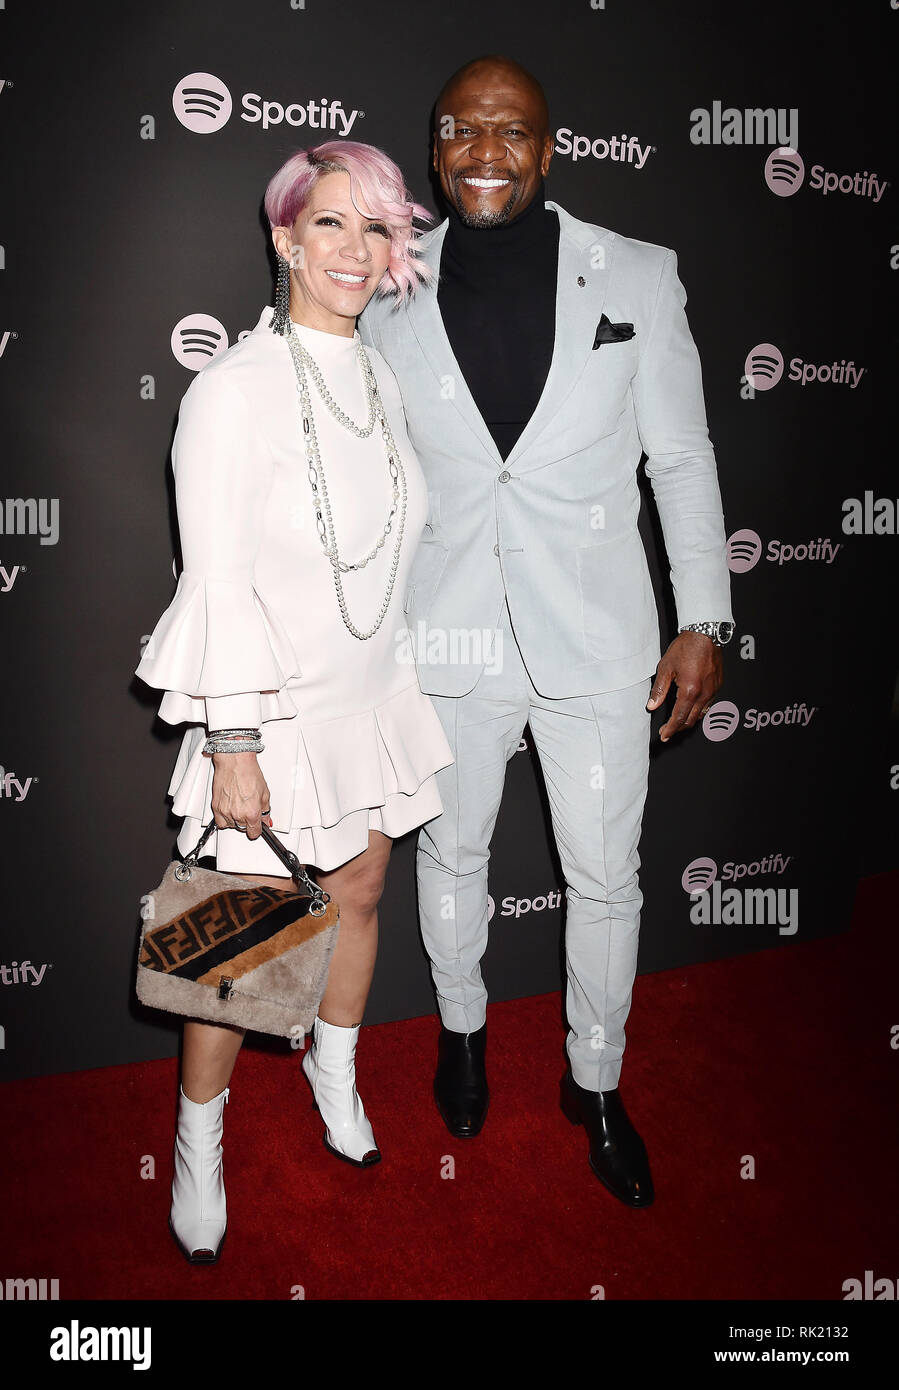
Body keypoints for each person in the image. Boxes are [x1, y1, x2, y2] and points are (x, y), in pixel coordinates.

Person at [359, 56, 734, 1208]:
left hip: (599, 634)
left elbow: (679, 456)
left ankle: (596, 1082)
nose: (482, 150)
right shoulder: (382, 285)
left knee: (604, 880)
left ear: (547, 149)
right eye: (458, 130)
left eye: (507, 131)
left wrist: (703, 612)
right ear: (432, 150)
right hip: (451, 630)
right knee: (455, 854)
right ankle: (461, 1034)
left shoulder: (639, 273)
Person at [135, 142, 452, 1261]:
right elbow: (212, 577)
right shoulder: (230, 391)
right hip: (264, 711)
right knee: (235, 954)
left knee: (359, 892)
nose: (355, 249)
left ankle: (334, 1074)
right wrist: (232, 739)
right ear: (283, 238)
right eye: (329, 224)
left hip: (366, 694)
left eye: (375, 228)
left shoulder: (381, 376)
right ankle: (198, 1141)